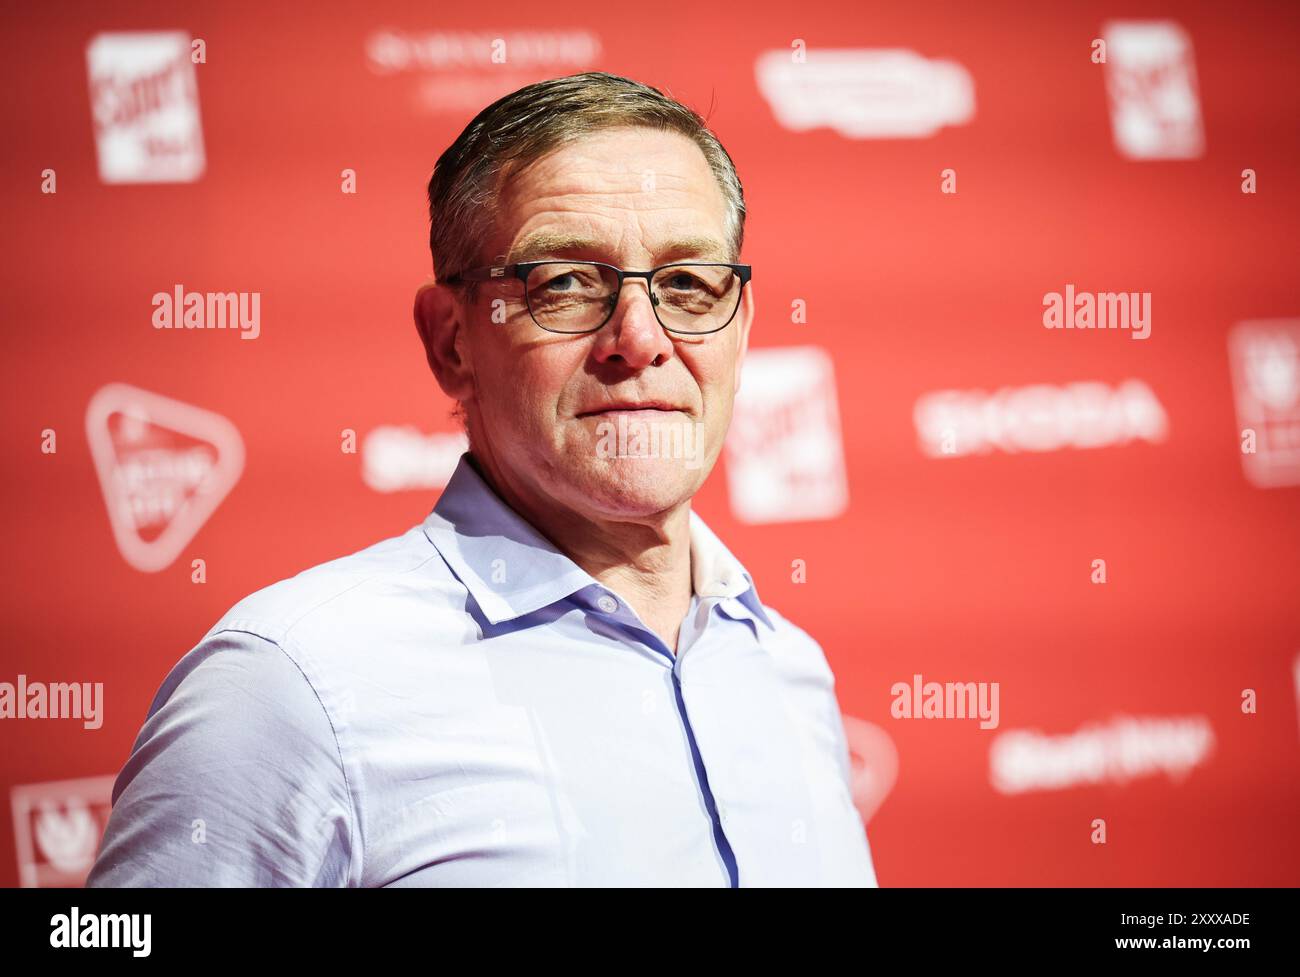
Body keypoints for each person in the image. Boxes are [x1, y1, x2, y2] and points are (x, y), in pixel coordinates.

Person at [87, 71, 879, 887]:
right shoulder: (291, 686)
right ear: (451, 340)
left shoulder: (790, 672)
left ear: (740, 333)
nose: (638, 338)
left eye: (685, 282)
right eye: (566, 282)